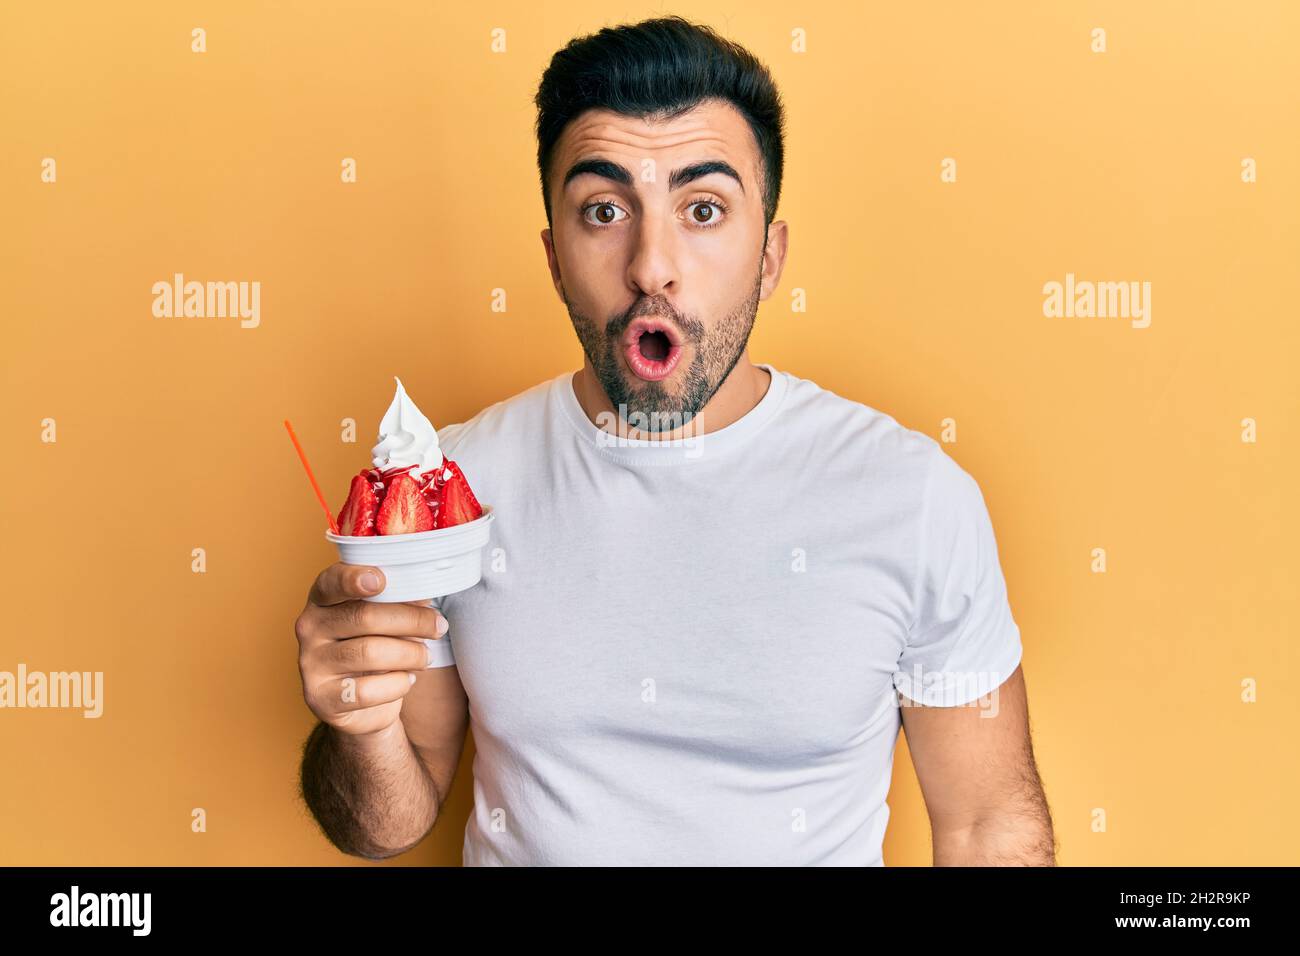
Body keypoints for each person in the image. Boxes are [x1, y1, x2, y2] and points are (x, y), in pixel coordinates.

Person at [296, 15, 1054, 866]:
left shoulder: (913, 498)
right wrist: (357, 724)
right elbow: (388, 824)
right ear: (553, 257)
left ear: (769, 257)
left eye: (703, 208)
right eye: (605, 209)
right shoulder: (450, 494)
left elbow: (989, 823)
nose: (652, 264)